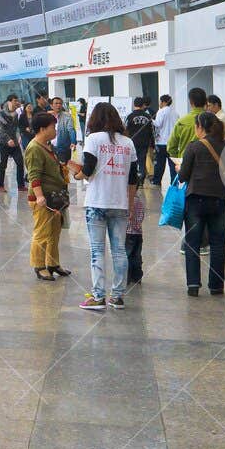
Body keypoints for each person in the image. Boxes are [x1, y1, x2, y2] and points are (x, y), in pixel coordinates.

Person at [76, 102, 142, 310]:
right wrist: (129, 205)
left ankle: (98, 296)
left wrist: (74, 172)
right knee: (119, 250)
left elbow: (87, 171)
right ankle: (118, 296)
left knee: (97, 250)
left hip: (96, 202)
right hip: (120, 204)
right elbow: (133, 179)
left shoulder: (93, 139)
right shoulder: (128, 143)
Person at [178, 111, 225, 297]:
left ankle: (193, 285)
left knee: (192, 243)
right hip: (220, 201)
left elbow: (182, 176)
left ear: (201, 128)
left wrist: (179, 168)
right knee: (218, 244)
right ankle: (216, 286)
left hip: (196, 201)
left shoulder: (194, 147)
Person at [24, 111, 69, 282]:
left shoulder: (48, 146)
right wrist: (39, 197)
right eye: (53, 127)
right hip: (43, 199)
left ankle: (53, 263)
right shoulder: (34, 148)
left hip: (55, 198)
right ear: (42, 129)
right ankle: (39, 266)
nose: (55, 130)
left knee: (54, 233)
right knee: (42, 233)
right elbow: (34, 175)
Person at [165, 87, 209, 174]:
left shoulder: (182, 121)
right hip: (208, 166)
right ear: (205, 101)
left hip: (186, 165)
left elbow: (171, 146)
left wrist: (179, 158)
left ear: (191, 102)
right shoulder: (214, 120)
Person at [0, 96, 27, 192]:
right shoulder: (1, 114)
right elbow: (1, 130)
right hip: (4, 143)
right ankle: (0, 185)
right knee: (3, 164)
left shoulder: (16, 113)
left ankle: (20, 185)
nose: (17, 102)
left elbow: (19, 126)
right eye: (15, 101)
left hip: (15, 143)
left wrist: (19, 136)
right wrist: (8, 139)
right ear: (9, 102)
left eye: (17, 100)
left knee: (20, 163)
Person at [125, 97, 155, 184]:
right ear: (143, 105)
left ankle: (133, 179)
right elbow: (152, 130)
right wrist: (152, 143)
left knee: (132, 160)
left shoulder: (129, 116)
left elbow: (126, 129)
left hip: (132, 142)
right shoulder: (148, 116)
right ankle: (141, 179)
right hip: (144, 142)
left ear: (134, 105)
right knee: (142, 160)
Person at [151, 94, 177, 185]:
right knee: (172, 165)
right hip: (173, 143)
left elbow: (158, 124)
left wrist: (151, 120)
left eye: (160, 101)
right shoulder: (175, 113)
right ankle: (174, 183)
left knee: (159, 164)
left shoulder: (161, 111)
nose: (160, 103)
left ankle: (157, 181)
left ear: (164, 102)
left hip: (161, 142)